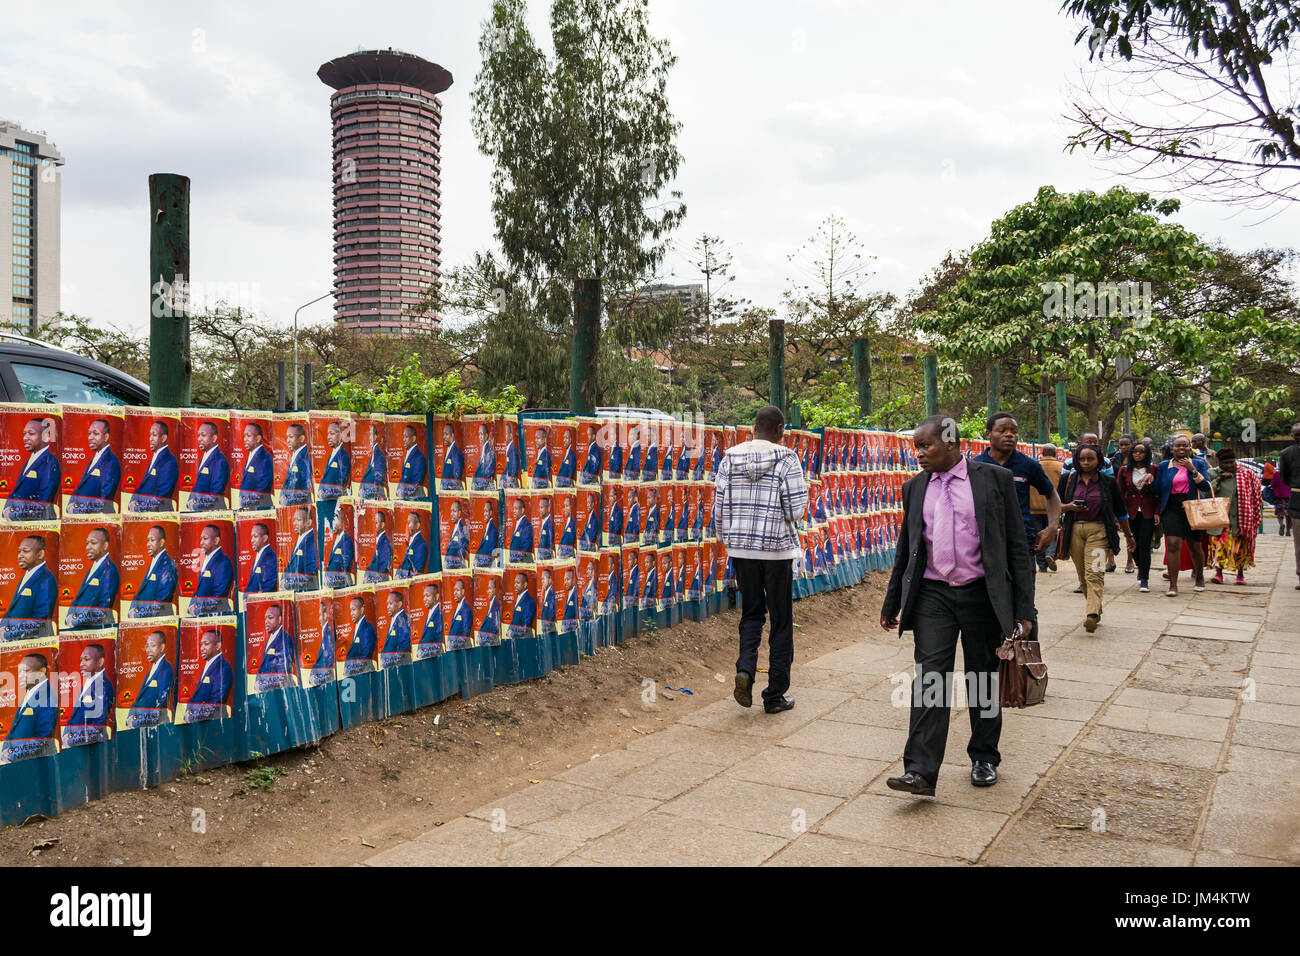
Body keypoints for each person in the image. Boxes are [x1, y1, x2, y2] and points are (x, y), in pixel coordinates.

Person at [880, 414, 1034, 797]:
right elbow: (908, 548)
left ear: (950, 443)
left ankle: (984, 756)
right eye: (916, 446)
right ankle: (920, 770)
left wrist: (1023, 611)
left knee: (982, 676)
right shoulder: (915, 487)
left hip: (982, 594)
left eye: (924, 445)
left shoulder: (993, 481)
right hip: (934, 595)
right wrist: (893, 600)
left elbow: (1016, 546)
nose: (918, 453)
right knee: (930, 678)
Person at [714, 405, 808, 715]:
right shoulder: (787, 459)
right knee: (781, 619)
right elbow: (795, 510)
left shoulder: (729, 459)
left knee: (751, 613)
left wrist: (728, 540)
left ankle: (745, 670)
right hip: (776, 550)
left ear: (754, 428)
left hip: (742, 550)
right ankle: (775, 694)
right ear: (780, 429)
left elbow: (719, 507)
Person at [975, 414, 1061, 585]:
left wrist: (1052, 528)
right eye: (1002, 430)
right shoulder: (975, 466)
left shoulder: (1028, 465)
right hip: (984, 545)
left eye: (1014, 431)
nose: (1009, 435)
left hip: (1021, 544)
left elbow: (1051, 495)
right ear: (988, 434)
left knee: (1024, 604)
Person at [1058, 445, 1133, 631]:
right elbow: (1056, 505)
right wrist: (1069, 507)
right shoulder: (1068, 480)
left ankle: (1091, 614)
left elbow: (1121, 512)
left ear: (1098, 460)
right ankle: (1096, 609)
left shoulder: (1108, 482)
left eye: (1090, 459)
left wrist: (1129, 536)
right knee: (1083, 576)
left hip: (1100, 532)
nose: (1085, 462)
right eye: (1082, 459)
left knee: (1095, 573)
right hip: (1074, 531)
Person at [1154, 434, 1212, 596]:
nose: (1181, 449)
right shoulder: (1164, 466)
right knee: (1173, 544)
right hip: (1172, 508)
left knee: (1195, 546)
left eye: (1185, 446)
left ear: (1189, 448)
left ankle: (1199, 577)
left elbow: (1206, 486)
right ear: (1172, 449)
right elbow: (1157, 490)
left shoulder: (1198, 464)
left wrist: (1191, 469)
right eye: (1177, 446)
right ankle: (1173, 585)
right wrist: (1151, 478)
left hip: (1192, 508)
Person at [1208, 447, 1264, 586]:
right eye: (1225, 463)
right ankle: (1218, 573)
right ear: (1219, 463)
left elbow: (1255, 496)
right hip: (1221, 518)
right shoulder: (1213, 474)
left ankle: (1240, 574)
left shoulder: (1246, 474)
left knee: (1240, 546)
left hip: (1240, 518)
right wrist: (1220, 479)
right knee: (1220, 545)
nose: (1229, 466)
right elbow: (1208, 493)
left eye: (1231, 462)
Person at [1117, 441, 1160, 592]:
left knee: (1145, 544)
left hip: (1148, 510)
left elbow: (1158, 493)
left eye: (1141, 452)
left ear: (1146, 454)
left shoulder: (1154, 469)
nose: (1137, 454)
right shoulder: (1124, 470)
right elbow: (1119, 494)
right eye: (1135, 451)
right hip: (1130, 511)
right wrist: (1118, 516)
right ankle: (1141, 566)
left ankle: (1144, 578)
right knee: (1132, 544)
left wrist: (1157, 512)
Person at [2, 653, 57, 762]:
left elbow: (43, 739)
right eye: (19, 672)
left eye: (26, 671)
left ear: (42, 672)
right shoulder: (30, 693)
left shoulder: (48, 696)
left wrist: (13, 756)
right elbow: (14, 729)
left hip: (33, 765)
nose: (20, 675)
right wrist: (4, 751)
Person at [2, 534, 56, 641]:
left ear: (40, 554)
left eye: (25, 551)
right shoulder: (27, 574)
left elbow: (40, 620)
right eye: (19, 552)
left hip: (33, 643)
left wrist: (8, 633)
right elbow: (12, 610)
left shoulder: (46, 579)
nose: (20, 555)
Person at [5, 417, 59, 520]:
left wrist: (12, 516)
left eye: (31, 433)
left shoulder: (51, 463)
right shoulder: (31, 459)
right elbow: (17, 490)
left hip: (38, 525)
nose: (25, 438)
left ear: (46, 437)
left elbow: (43, 502)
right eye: (24, 434)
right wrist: (6, 509)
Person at [61, 643, 114, 747]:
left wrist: (71, 741)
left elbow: (98, 725)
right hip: (77, 745)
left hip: (91, 748)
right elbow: (74, 717)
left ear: (100, 662)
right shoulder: (89, 680)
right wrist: (65, 736)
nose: (81, 663)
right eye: (81, 660)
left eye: (86, 659)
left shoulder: (102, 685)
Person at [66, 527, 120, 628]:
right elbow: (79, 598)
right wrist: (69, 617)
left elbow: (103, 608)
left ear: (105, 545)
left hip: (96, 629)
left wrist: (75, 621)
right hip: (81, 626)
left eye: (93, 543)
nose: (88, 547)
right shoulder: (94, 566)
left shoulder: (109, 570)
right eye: (87, 543)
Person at [69, 418, 121, 514]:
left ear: (106, 437)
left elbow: (104, 500)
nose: (90, 437)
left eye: (95, 433)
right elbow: (81, 487)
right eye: (89, 433)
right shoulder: (96, 456)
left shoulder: (111, 462)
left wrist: (77, 510)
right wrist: (70, 505)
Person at [127, 629, 174, 726]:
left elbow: (161, 706)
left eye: (152, 645)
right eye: (147, 646)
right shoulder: (152, 669)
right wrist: (130, 718)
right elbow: (139, 699)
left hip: (154, 729)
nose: (148, 650)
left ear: (162, 647)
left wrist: (136, 722)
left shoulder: (166, 670)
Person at [185, 628, 233, 722]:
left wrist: (191, 717)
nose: (202, 648)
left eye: (206, 644)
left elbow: (216, 702)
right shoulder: (209, 664)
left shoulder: (223, 668)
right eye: (201, 644)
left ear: (218, 646)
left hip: (214, 724)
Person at [130, 525, 178, 617]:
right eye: (147, 540)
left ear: (161, 543)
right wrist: (131, 610)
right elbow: (141, 593)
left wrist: (137, 614)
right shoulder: (155, 561)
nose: (148, 544)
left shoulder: (168, 565)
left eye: (152, 540)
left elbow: (162, 601)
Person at [1029, 444, 1064, 572]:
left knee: (1038, 535)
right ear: (1055, 453)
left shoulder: (1033, 466)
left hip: (1033, 507)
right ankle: (1050, 553)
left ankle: (1042, 565)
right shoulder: (1060, 467)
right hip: (1053, 507)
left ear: (1042, 453)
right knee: (1052, 531)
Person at [131, 420, 179, 512]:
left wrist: (137, 508)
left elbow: (161, 497)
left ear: (163, 438)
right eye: (150, 435)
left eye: (154, 435)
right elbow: (143, 486)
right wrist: (132, 502)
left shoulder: (169, 462)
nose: (150, 439)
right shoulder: (156, 456)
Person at [190, 523, 235, 616]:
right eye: (201, 539)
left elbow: (218, 597)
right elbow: (199, 590)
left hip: (216, 616)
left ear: (216, 540)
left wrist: (196, 610)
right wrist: (190, 606)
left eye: (205, 538)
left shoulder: (223, 563)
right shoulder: (206, 559)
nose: (201, 542)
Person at [187, 420, 230, 511]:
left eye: (203, 435)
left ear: (214, 438)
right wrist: (189, 501)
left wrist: (195, 506)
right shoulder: (204, 457)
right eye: (198, 435)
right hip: (202, 512)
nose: (199, 439)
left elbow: (215, 495)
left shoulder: (220, 461)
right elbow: (198, 485)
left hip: (214, 515)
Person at [253, 605, 296, 692]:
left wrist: (262, 686)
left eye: (270, 618)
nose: (266, 621)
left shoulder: (285, 640)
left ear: (280, 620)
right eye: (265, 618)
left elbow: (282, 674)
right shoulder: (270, 637)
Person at [238, 422, 273, 510]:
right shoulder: (251, 454)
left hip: (259, 508)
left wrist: (249, 504)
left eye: (248, 436)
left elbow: (263, 486)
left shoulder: (264, 458)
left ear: (258, 438)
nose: (245, 439)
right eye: (244, 436)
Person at [1281, 423, 1300, 588]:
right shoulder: (1286, 454)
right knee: (1299, 542)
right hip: (1297, 501)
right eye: (1297, 435)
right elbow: (1285, 478)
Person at [281, 506, 318, 590]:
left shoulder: (313, 541)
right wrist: (282, 580)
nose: (295, 523)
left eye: (299, 520)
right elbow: (290, 566)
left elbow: (310, 573)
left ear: (308, 522)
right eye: (294, 520)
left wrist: (287, 586)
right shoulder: (300, 538)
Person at [342, 597, 377, 675]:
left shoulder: (367, 628)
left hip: (364, 674)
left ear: (361, 610)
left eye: (354, 610)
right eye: (350, 610)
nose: (351, 613)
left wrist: (350, 671)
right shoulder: (358, 626)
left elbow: (365, 655)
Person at [279, 423, 312, 506]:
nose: (287, 440)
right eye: (287, 437)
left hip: (301, 506)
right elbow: (287, 481)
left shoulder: (306, 457)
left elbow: (306, 489)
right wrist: (281, 497)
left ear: (301, 438)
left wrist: (287, 501)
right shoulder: (295, 454)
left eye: (291, 437)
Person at [318, 420, 351, 501]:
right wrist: (319, 491)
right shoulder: (332, 453)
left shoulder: (344, 457)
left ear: (341, 435)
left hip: (334, 503)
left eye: (332, 434)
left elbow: (341, 487)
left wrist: (324, 495)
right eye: (328, 434)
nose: (328, 437)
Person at [243, 522, 278, 594]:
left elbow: (268, 587)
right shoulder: (259, 555)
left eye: (255, 536)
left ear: (265, 538)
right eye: (251, 537)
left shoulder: (270, 557)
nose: (252, 540)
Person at [323, 509, 355, 588]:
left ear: (343, 522)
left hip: (342, 587)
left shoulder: (347, 541)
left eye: (336, 521)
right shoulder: (336, 539)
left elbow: (344, 566)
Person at [381, 590, 412, 666]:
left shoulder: (403, 620)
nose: (388, 607)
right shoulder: (394, 619)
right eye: (387, 604)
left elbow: (404, 647)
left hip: (400, 667)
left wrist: (387, 663)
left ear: (399, 604)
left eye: (390, 603)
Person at [398, 425, 427, 498]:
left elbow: (417, 482)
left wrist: (403, 494)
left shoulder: (419, 457)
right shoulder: (408, 454)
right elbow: (403, 478)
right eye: (403, 437)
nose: (404, 439)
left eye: (406, 437)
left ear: (413, 438)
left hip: (415, 499)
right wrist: (398, 491)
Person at [397, 511, 429, 578]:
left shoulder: (421, 544)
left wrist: (401, 576)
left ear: (417, 525)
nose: (407, 526)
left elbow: (417, 571)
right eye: (406, 523)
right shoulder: (410, 541)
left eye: (409, 523)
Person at [365, 510, 393, 583]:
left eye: (376, 523)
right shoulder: (374, 539)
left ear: (382, 525)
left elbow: (383, 568)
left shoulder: (385, 543)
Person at [361, 424, 388, 500]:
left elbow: (378, 481)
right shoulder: (374, 453)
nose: (369, 438)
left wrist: (364, 495)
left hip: (374, 498)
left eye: (370, 435)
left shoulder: (379, 455)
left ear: (375, 436)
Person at [417, 584, 443, 658]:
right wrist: (419, 650)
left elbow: (439, 641)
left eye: (427, 596)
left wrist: (423, 653)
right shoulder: (430, 613)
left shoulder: (440, 614)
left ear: (437, 597)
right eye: (424, 596)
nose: (424, 599)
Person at [446, 578, 473, 650]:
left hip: (463, 651)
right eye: (454, 590)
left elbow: (465, 633)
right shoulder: (457, 607)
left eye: (457, 590)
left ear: (463, 591)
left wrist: (453, 645)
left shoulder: (466, 609)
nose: (454, 593)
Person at [443, 498, 470, 569]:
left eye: (454, 511)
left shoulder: (463, 529)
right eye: (451, 511)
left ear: (459, 513)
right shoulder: (454, 528)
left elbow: (462, 552)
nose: (451, 514)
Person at [507, 572, 536, 638]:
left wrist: (512, 634)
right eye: (515, 583)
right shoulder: (518, 598)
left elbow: (526, 627)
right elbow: (514, 620)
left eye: (518, 583)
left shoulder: (529, 601)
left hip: (524, 642)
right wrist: (508, 630)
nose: (515, 585)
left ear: (525, 584)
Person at [475, 499, 501, 568]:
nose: (484, 514)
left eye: (486, 511)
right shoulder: (488, 527)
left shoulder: (492, 530)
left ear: (491, 512)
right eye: (484, 511)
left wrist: (478, 564)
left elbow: (490, 553)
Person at [477, 577, 502, 646]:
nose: (488, 591)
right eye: (488, 588)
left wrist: (483, 640)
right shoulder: (491, 605)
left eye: (490, 588)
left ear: (495, 590)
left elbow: (495, 627)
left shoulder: (496, 606)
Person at [507, 497, 533, 563]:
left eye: (516, 509)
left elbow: (525, 548)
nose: (514, 511)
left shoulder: (527, 525)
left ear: (522, 510)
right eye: (513, 509)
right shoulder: (518, 523)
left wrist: (514, 560)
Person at [440, 423, 466, 491]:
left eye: (446, 434)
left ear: (452, 435)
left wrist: (446, 489)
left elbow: (457, 476)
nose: (444, 437)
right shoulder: (448, 450)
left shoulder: (456, 452)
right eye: (443, 434)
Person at [1269, 458, 1291, 537]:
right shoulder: (1290, 474)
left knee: (1280, 513)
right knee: (1289, 514)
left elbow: (1273, 484)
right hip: (1289, 496)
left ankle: (1281, 525)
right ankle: (1288, 530)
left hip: (1279, 497)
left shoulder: (1276, 474)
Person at [471, 423, 496, 491]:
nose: (480, 437)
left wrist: (476, 487)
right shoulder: (484, 450)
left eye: (481, 434)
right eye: (479, 434)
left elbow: (487, 476)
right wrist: (473, 482)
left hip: (485, 489)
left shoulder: (489, 451)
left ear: (486, 435)